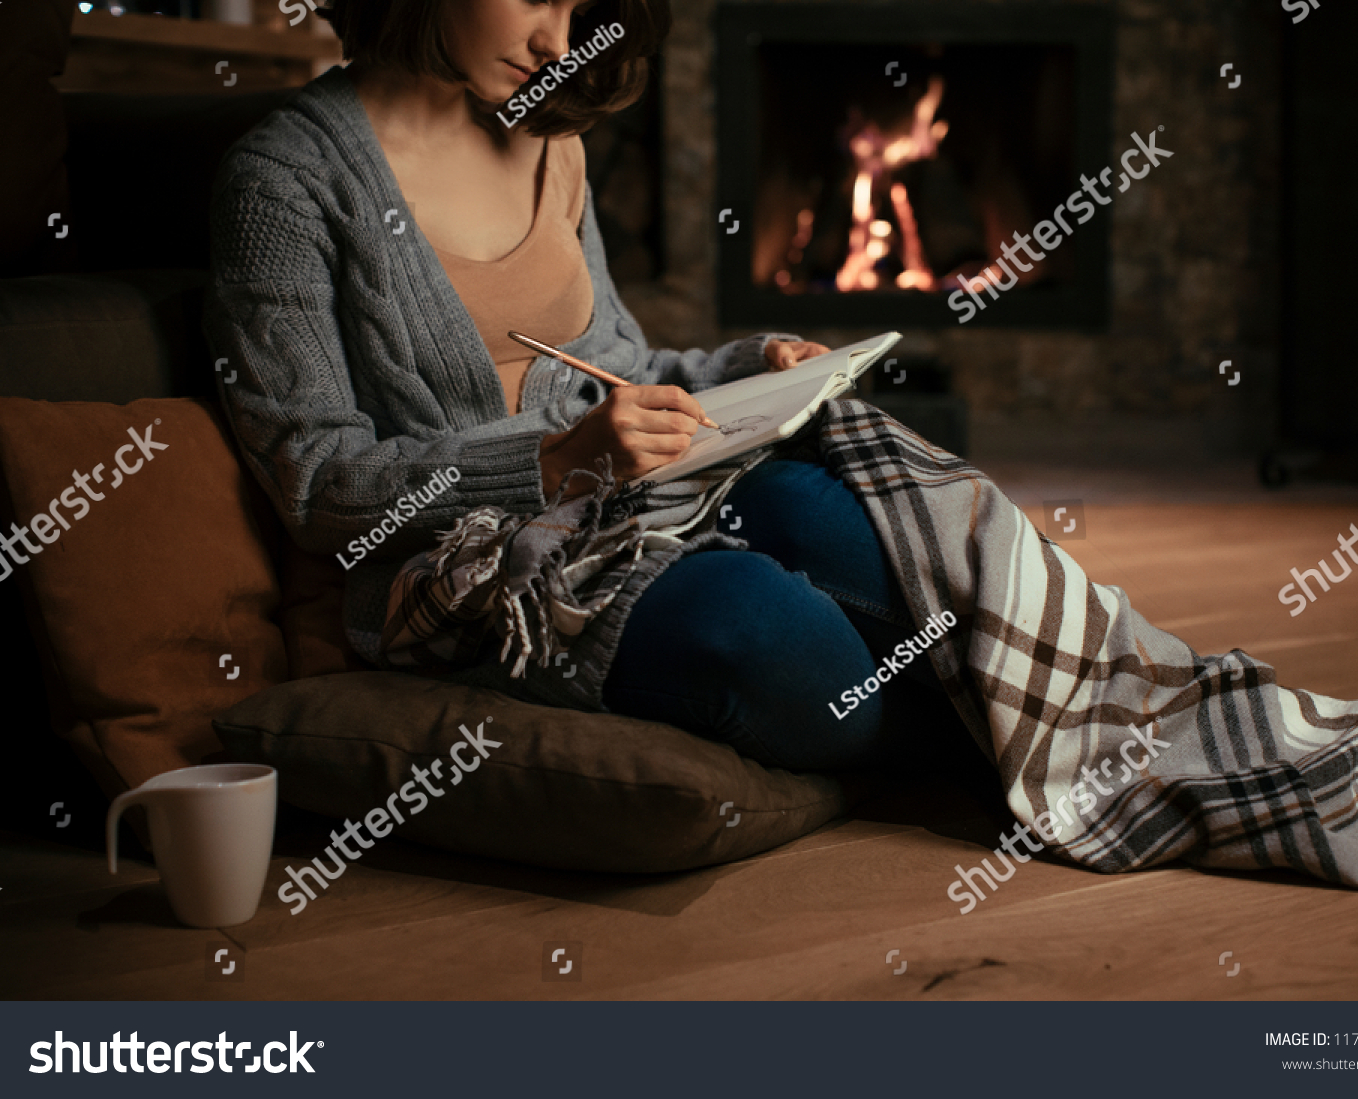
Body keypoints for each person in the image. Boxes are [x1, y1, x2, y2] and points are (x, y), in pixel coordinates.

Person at [205, 0, 979, 782]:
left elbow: (620, 368)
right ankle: (976, 736)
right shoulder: (283, 182)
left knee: (857, 522)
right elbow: (313, 483)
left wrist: (753, 368)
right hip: (480, 576)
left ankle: (1019, 710)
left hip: (648, 496)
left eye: (577, 9)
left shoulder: (550, 136)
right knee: (768, 629)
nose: (560, 44)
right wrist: (549, 463)